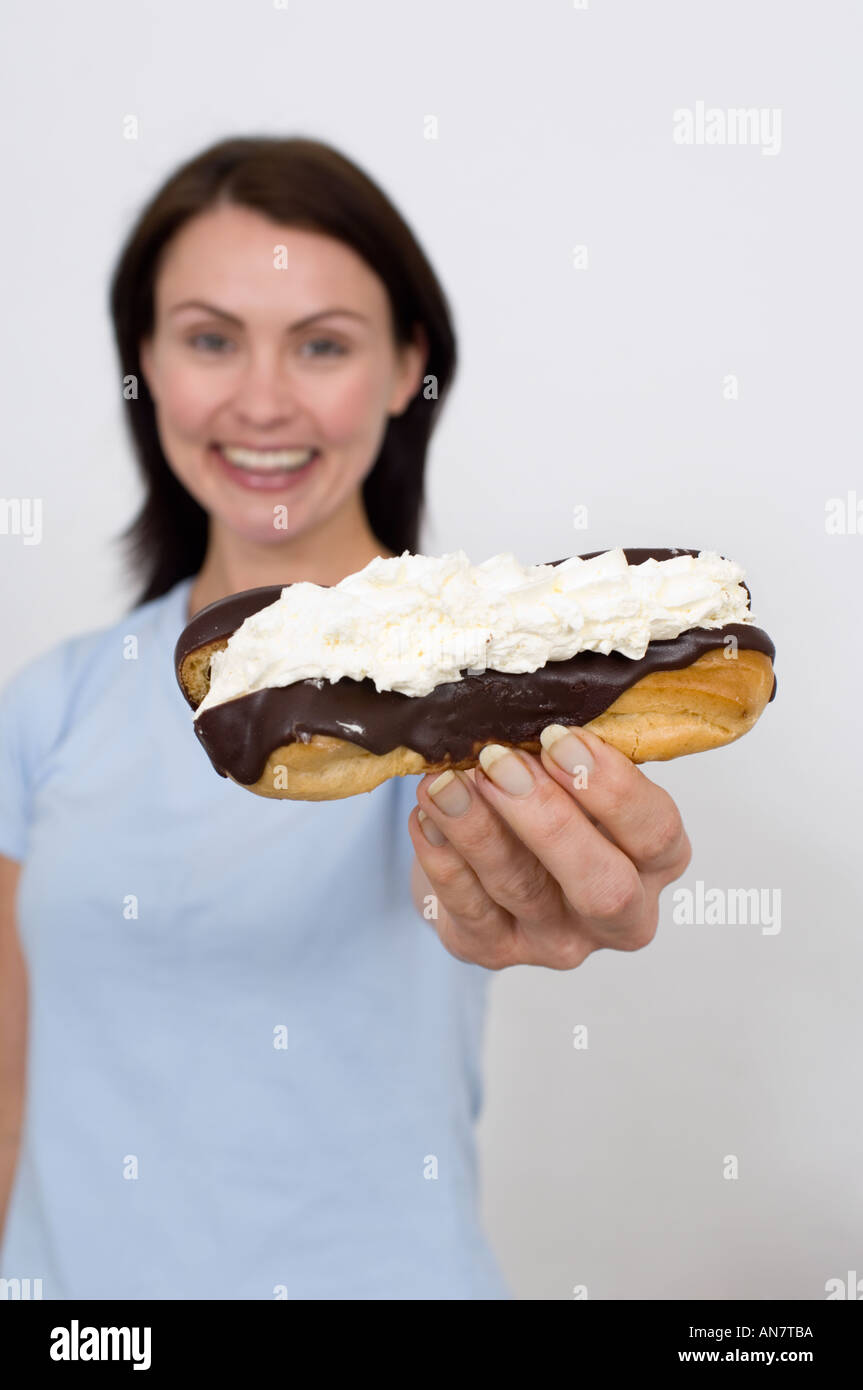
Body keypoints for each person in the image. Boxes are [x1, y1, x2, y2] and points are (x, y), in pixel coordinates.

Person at [0, 136, 692, 1300]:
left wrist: (542, 893)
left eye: (321, 344)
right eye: (211, 338)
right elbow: (11, 1083)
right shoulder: (49, 702)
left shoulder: (469, 692)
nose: (261, 400)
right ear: (148, 363)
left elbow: (475, 892)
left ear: (403, 366)